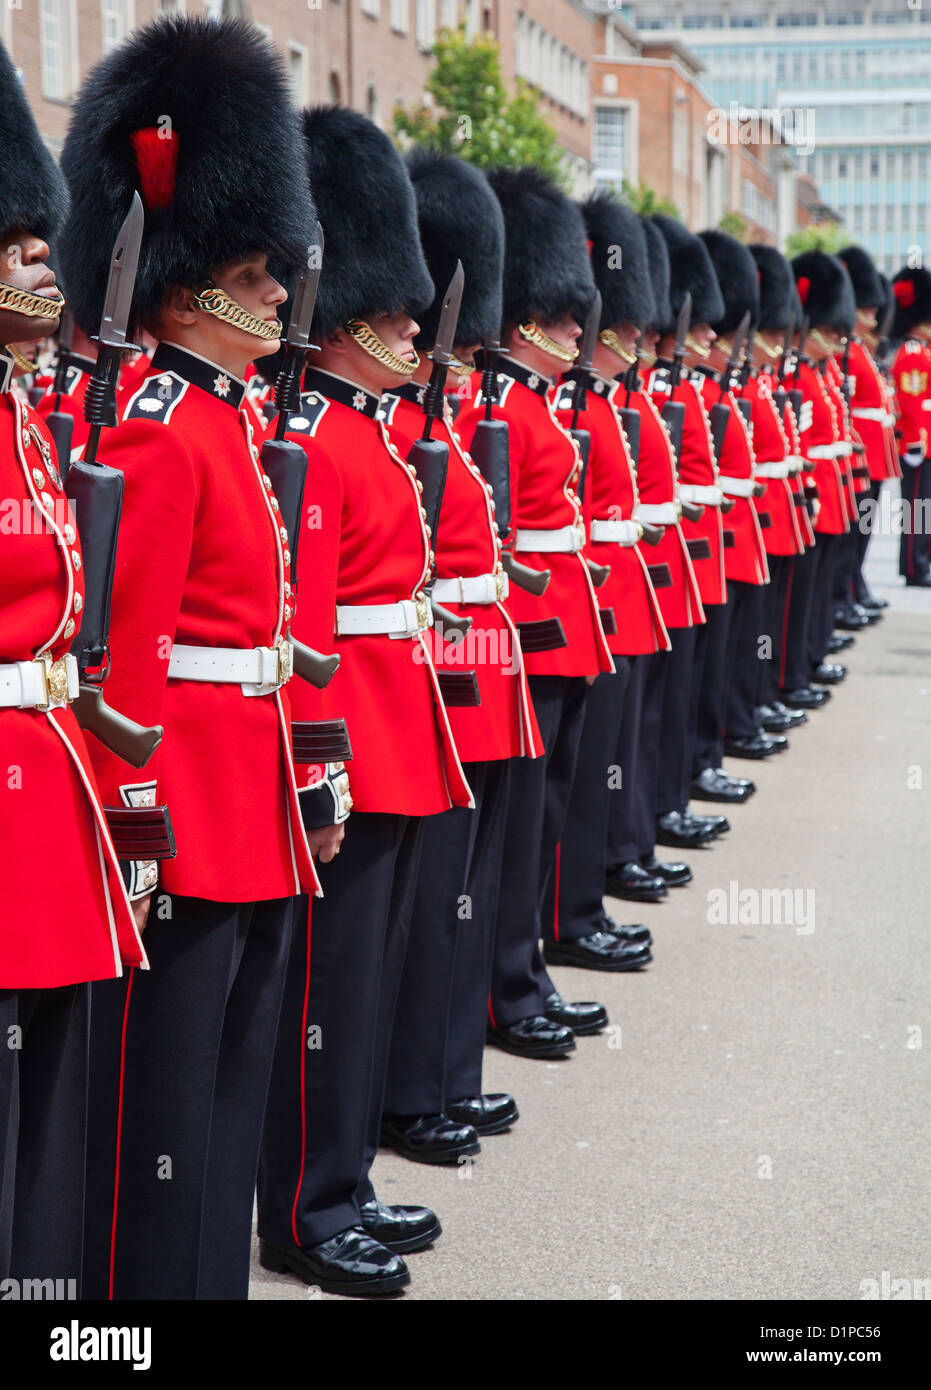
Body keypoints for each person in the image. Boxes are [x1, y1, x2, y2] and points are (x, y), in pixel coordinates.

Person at [58, 15, 321, 1300]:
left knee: (227, 1088)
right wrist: (137, 821)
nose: (281, 293)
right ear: (194, 280)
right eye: (262, 273)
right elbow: (128, 654)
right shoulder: (164, 427)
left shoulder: (223, 418)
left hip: (249, 794)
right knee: (162, 1111)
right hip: (188, 807)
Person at [256, 106, 472, 1297]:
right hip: (352, 726)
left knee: (368, 970)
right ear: (347, 325)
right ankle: (306, 1205)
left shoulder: (365, 432)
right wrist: (321, 761)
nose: (410, 327)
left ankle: (344, 1176)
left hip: (400, 716)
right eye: (394, 313)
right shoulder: (317, 444)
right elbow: (314, 621)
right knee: (327, 988)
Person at [0, 35, 145, 1291]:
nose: (47, 268)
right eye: (24, 249)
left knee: (51, 1103)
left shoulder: (28, 415)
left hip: (48, 785)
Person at [377, 150, 542, 1149]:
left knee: (459, 892)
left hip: (473, 661)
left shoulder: (443, 414)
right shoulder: (390, 427)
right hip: (427, 674)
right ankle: (413, 1084)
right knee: (429, 901)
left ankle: (439, 1072)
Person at [456, 166, 614, 1058]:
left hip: (562, 621)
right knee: (514, 837)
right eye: (559, 318)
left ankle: (523, 974)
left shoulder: (534, 401)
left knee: (542, 819)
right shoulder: (501, 406)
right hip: (529, 628)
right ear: (522, 319)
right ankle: (509, 987)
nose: (572, 331)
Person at [543, 190, 667, 968]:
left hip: (611, 595)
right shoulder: (569, 408)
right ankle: (568, 912)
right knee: (568, 785)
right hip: (569, 605)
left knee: (602, 763)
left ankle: (586, 897)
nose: (632, 339)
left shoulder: (593, 404)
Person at [743, 244, 809, 731]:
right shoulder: (743, 384)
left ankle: (761, 696)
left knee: (765, 622)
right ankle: (743, 711)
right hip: (752, 518)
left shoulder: (763, 381)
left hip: (774, 513)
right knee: (748, 629)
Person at [889, 266, 931, 587]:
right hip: (919, 446)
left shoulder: (923, 352)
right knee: (917, 508)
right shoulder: (913, 354)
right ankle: (914, 566)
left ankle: (922, 560)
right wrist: (915, 444)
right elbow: (913, 403)